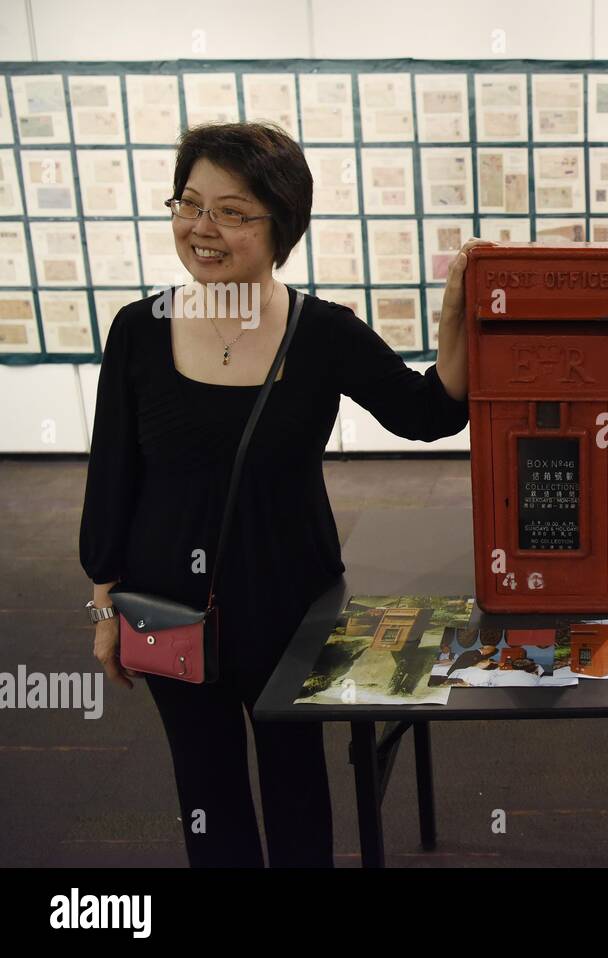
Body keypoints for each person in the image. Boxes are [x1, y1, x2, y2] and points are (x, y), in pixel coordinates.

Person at [79, 121, 481, 867]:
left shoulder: (322, 332)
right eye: (188, 204)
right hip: (164, 602)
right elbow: (113, 475)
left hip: (289, 601)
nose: (202, 229)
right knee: (204, 790)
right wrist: (105, 606)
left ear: (282, 223)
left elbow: (428, 413)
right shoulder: (139, 330)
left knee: (297, 784)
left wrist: (457, 308)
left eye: (231, 212)